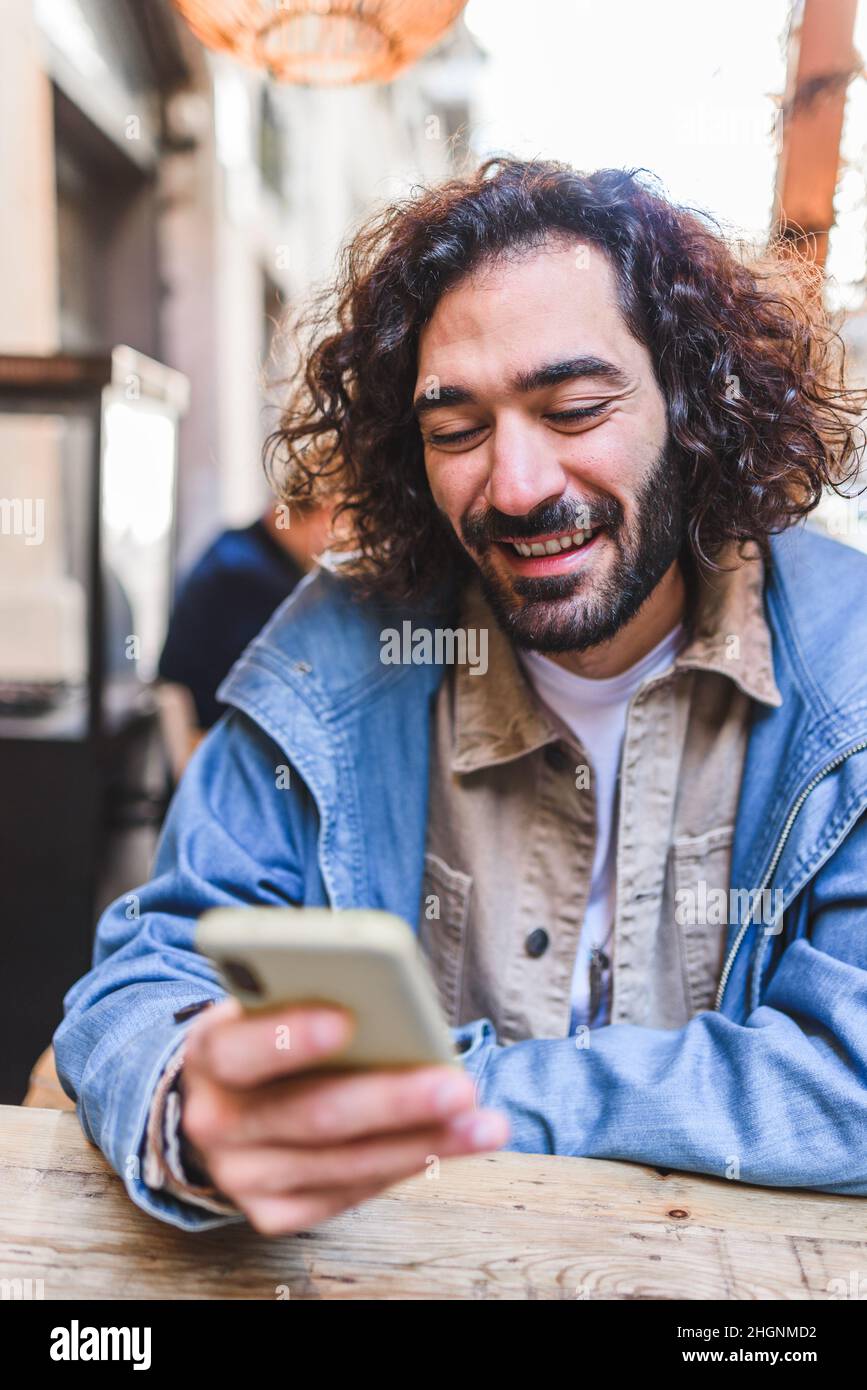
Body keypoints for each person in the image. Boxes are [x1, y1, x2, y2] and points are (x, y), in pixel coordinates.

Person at [55, 158, 867, 1237]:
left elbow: (847, 1076)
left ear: (693, 400)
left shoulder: (850, 664)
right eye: (457, 430)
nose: (517, 484)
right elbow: (150, 972)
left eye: (574, 407)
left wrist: (454, 1101)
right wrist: (196, 1103)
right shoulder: (337, 642)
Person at [158, 499, 332, 732]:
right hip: (215, 735)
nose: (326, 545)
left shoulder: (234, 547)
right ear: (319, 518)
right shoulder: (250, 577)